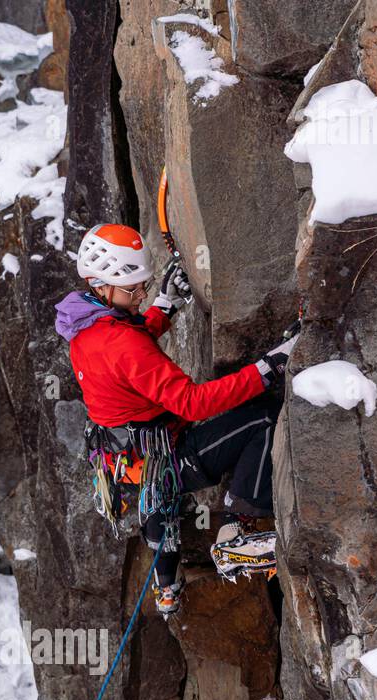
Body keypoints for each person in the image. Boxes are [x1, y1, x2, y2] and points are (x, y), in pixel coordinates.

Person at [55, 222, 299, 615]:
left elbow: (128, 350)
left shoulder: (83, 325)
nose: (141, 295)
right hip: (169, 457)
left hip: (129, 464)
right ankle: (240, 529)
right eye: (134, 289)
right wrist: (267, 367)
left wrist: (164, 307)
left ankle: (166, 582)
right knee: (264, 421)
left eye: (143, 286)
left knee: (160, 502)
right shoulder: (121, 342)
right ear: (102, 285)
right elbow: (193, 403)